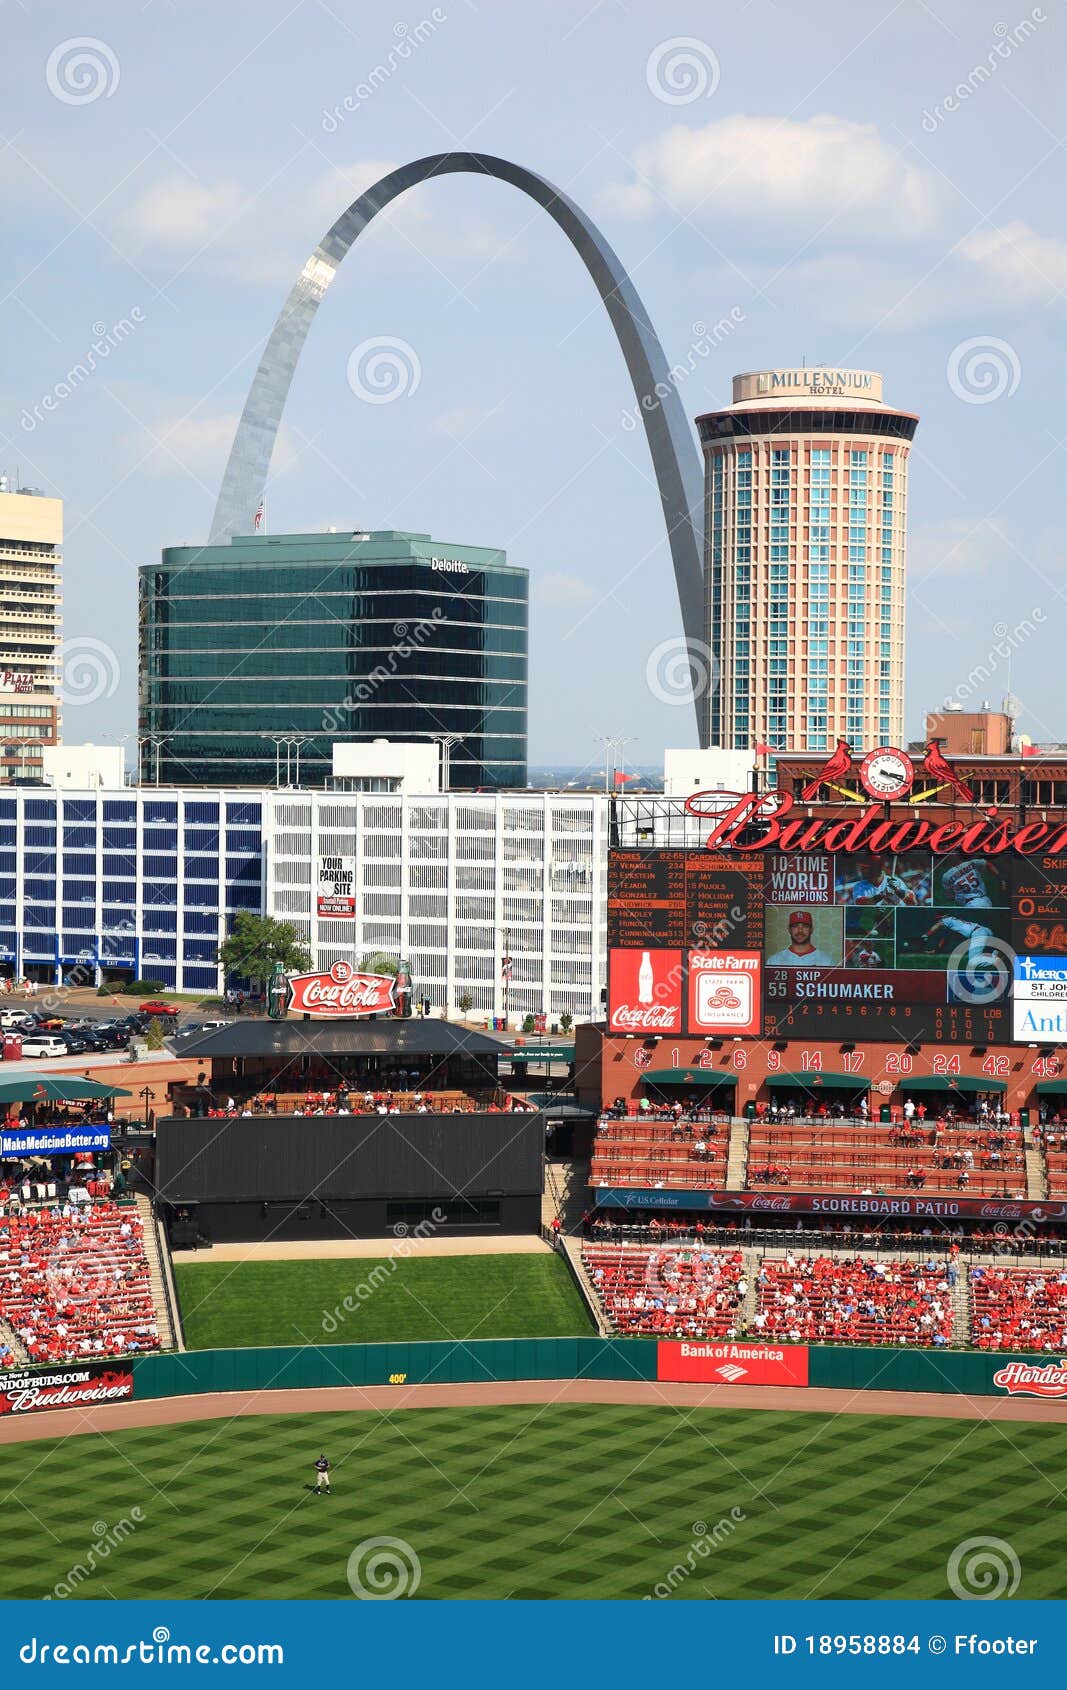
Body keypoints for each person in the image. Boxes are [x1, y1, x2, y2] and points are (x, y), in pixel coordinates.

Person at [767, 911, 836, 967]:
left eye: (805, 926)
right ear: (789, 930)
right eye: (795, 926)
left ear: (811, 930)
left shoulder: (827, 961)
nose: (800, 930)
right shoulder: (774, 961)